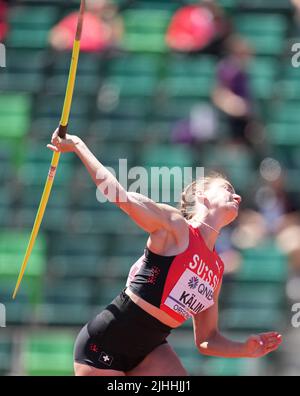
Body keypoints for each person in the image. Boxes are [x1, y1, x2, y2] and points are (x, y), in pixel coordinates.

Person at [47, 129, 282, 376]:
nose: (237, 195)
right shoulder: (175, 227)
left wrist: (244, 349)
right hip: (103, 345)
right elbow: (119, 196)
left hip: (150, 350)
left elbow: (206, 339)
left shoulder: (216, 268)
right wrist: (77, 144)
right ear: (203, 196)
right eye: (226, 188)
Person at [49, 0, 123, 53]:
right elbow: (55, 38)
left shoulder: (112, 22)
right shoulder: (76, 18)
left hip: (98, 65)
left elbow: (113, 41)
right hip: (73, 60)